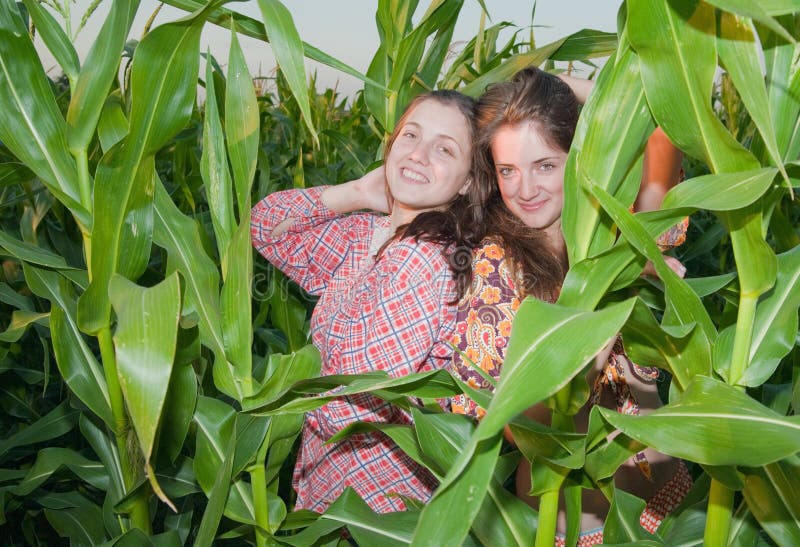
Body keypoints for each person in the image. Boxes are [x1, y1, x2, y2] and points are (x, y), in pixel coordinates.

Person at [448, 67, 691, 546]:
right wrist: (572, 376)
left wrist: (576, 91)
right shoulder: (498, 265)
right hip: (576, 530)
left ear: (582, 156)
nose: (525, 189)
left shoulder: (624, 232)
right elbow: (498, 414)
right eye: (508, 171)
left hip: (669, 505)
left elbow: (667, 113)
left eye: (545, 165)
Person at [251, 90, 485, 513]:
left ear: (468, 180)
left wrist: (276, 398)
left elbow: (345, 407)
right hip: (328, 495)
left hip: (375, 511)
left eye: (445, 149)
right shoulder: (368, 236)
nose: (418, 154)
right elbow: (267, 228)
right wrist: (357, 191)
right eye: (410, 135)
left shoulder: (423, 259)